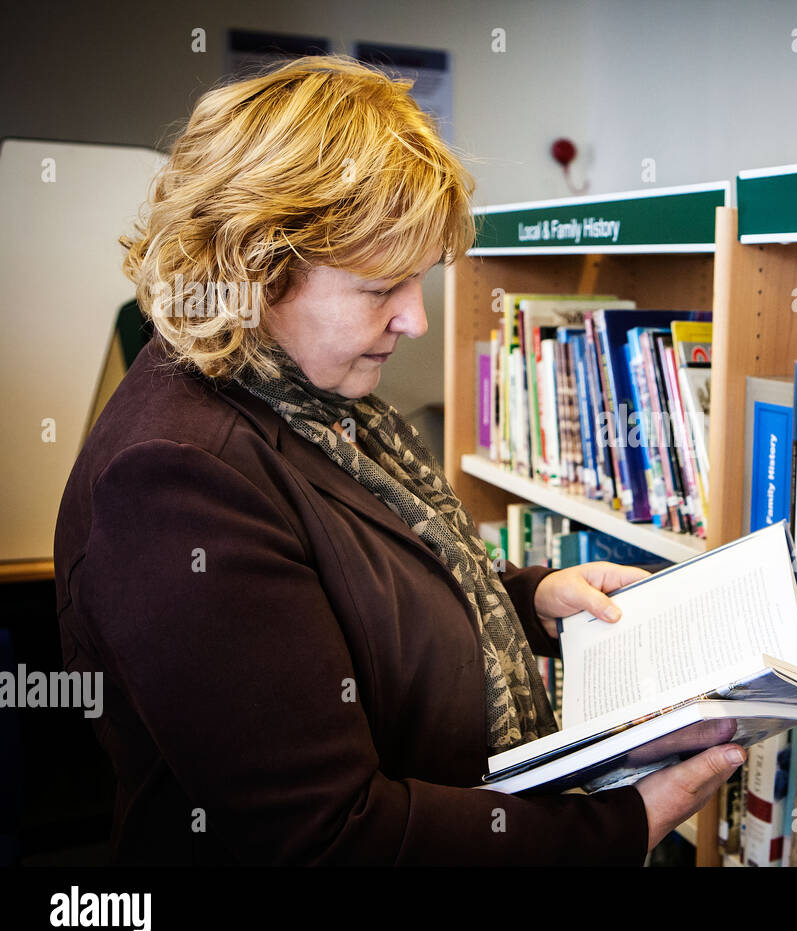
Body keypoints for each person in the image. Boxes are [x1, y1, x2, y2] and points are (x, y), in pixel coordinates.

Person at [52, 55, 741, 866]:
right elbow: (329, 838)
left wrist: (533, 601)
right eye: (381, 289)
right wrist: (618, 826)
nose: (414, 320)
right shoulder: (173, 480)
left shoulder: (314, 402)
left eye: (417, 281)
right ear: (253, 273)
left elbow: (360, 607)